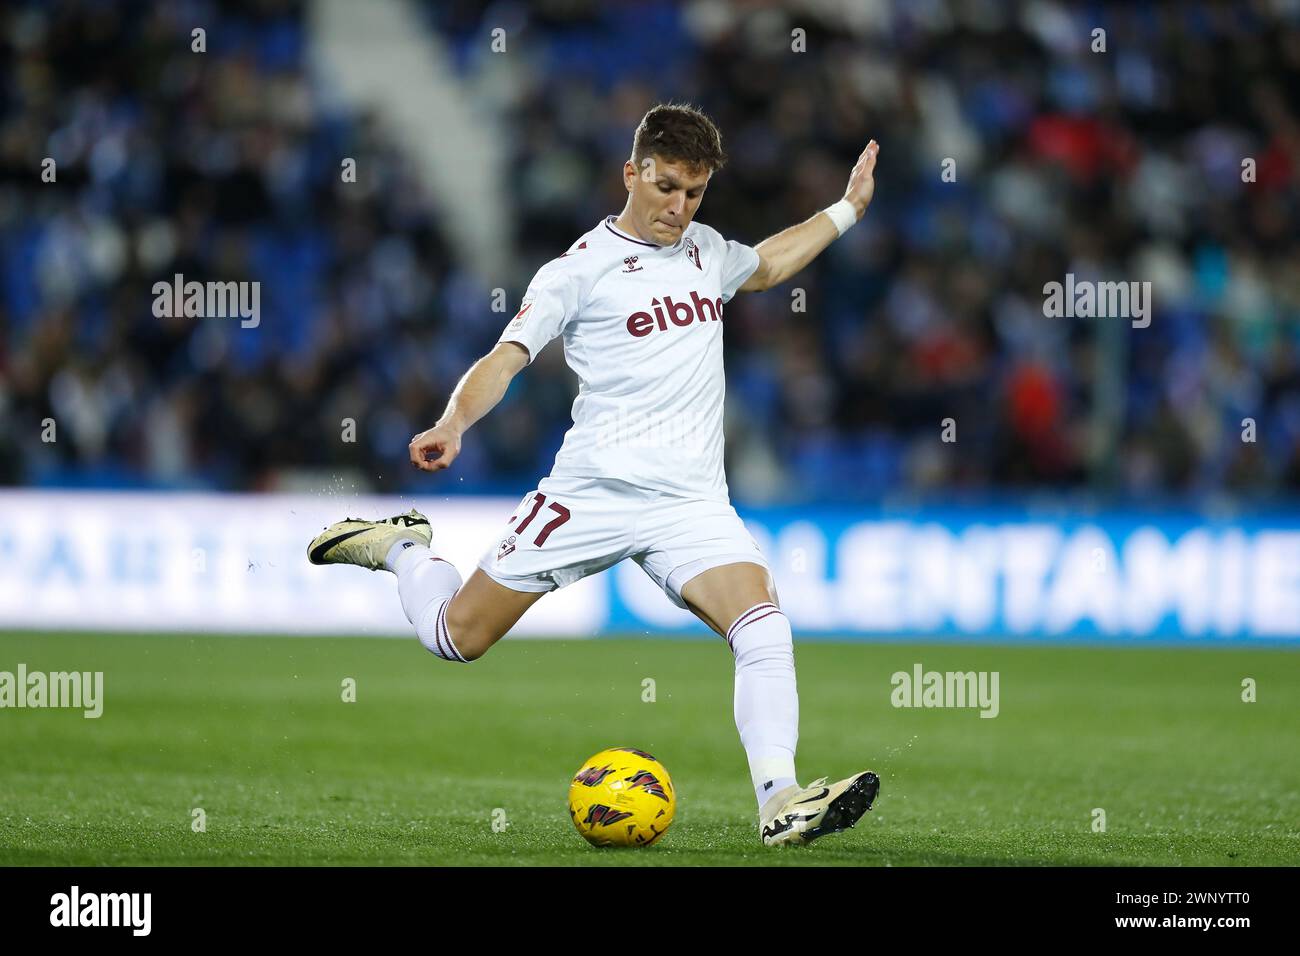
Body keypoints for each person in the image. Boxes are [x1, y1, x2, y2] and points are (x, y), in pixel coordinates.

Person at [309, 103, 881, 846]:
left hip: (689, 503)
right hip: (591, 495)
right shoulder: (577, 270)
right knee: (458, 637)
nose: (680, 208)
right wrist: (453, 422)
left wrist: (847, 208)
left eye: (695, 193)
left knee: (763, 624)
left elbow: (768, 263)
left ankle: (780, 800)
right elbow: (505, 360)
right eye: (668, 187)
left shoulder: (707, 251)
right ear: (632, 173)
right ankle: (400, 547)